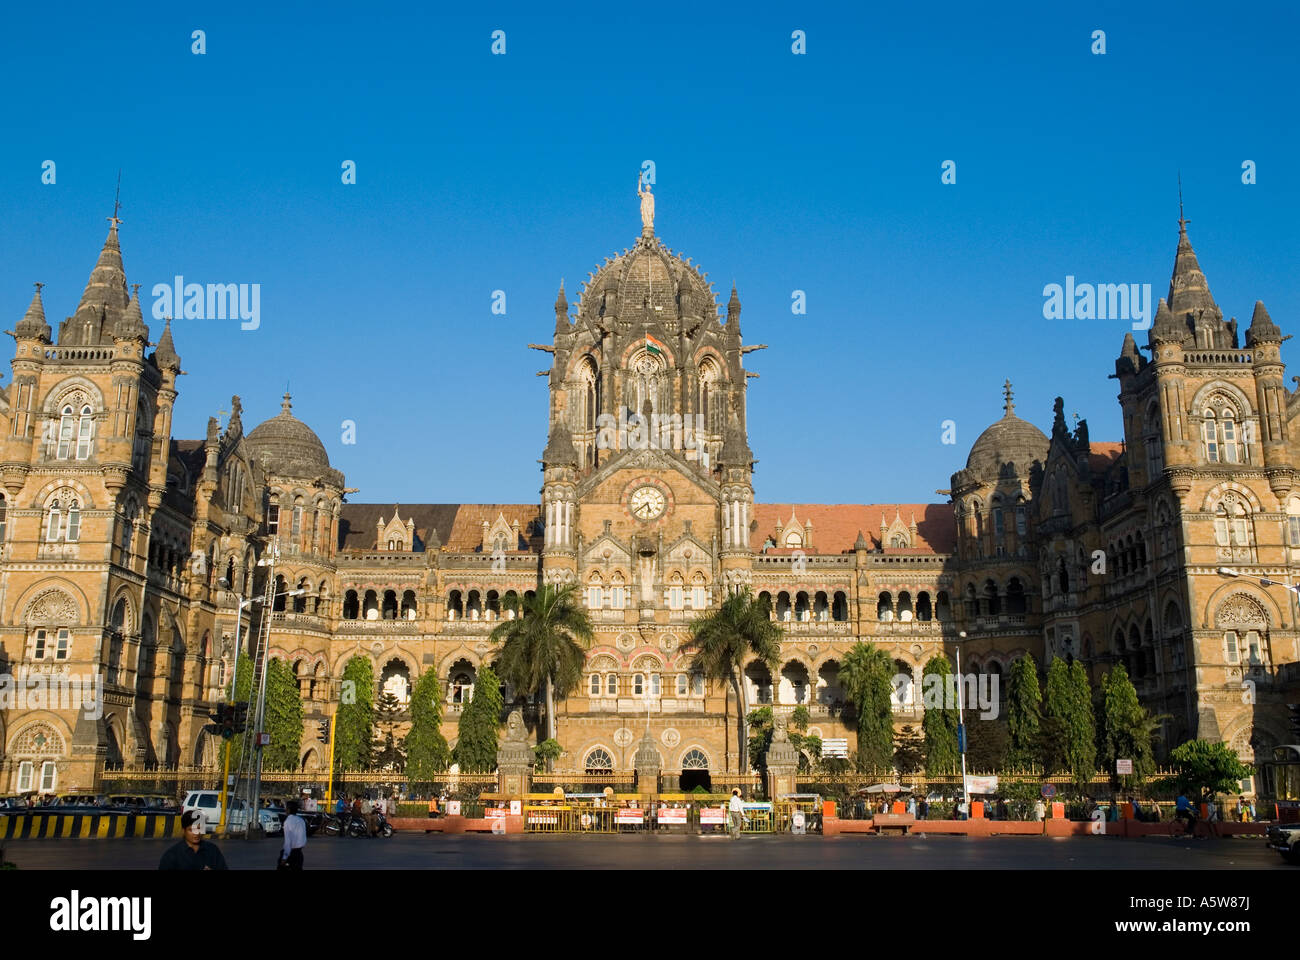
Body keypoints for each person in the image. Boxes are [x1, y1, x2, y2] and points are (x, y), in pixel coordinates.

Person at [160, 811, 229, 870]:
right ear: (183, 831)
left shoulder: (213, 850)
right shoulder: (171, 855)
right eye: (192, 830)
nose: (197, 833)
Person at [280, 800, 307, 870]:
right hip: (299, 854)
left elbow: (288, 842)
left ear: (288, 810)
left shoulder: (287, 822)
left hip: (291, 854)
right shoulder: (301, 820)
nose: (285, 810)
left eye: (286, 808)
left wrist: (284, 857)